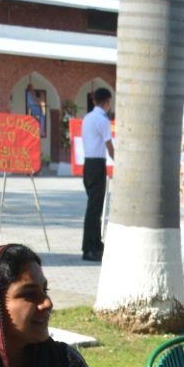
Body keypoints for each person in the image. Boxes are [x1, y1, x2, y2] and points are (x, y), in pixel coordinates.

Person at [81, 88, 114, 262]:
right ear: (107, 102)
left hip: (88, 164)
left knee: (94, 207)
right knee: (94, 210)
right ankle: (89, 248)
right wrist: (119, 162)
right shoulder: (102, 120)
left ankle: (96, 243)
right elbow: (109, 145)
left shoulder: (87, 118)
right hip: (97, 164)